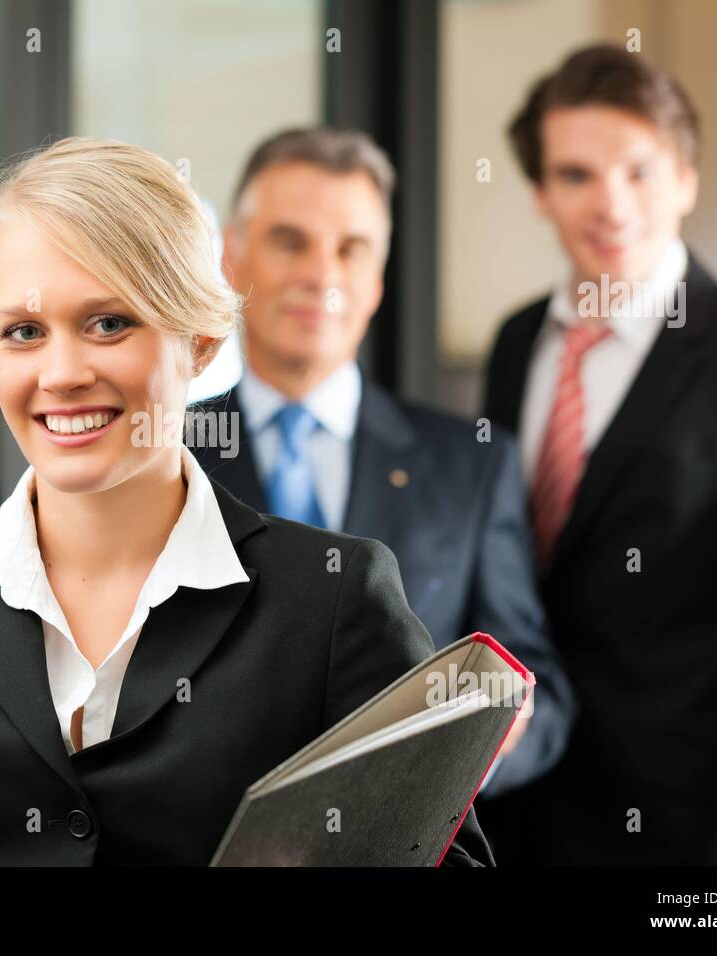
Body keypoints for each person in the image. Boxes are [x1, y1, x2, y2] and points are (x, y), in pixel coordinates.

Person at [0, 137, 494, 866]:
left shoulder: (336, 599)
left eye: (109, 323)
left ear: (201, 342)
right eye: (24, 332)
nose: (61, 373)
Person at [482, 45, 717, 865]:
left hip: (689, 838)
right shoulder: (515, 342)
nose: (610, 203)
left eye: (639, 171)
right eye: (575, 175)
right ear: (540, 193)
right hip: (518, 825)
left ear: (686, 180)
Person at [190, 128, 573, 801]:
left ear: (375, 280)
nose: (322, 273)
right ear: (231, 257)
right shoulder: (162, 454)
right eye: (290, 241)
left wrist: (498, 736)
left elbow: (536, 679)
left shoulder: (473, 464)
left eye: (351, 249)